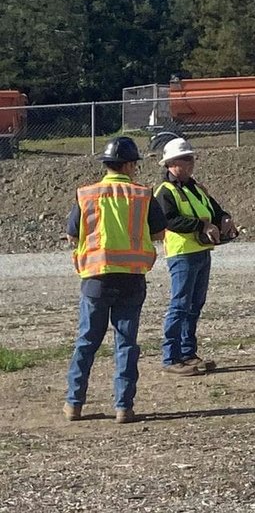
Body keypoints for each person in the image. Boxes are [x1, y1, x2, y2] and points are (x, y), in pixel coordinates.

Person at [64, 135, 166, 424]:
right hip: (131, 279)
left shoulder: (86, 194)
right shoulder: (142, 195)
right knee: (126, 342)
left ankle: (74, 404)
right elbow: (159, 233)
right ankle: (124, 407)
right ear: (130, 165)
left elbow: (72, 234)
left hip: (96, 278)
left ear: (107, 164)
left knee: (87, 341)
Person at [154, 137, 237, 376]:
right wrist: (200, 226)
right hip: (181, 253)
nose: (191, 163)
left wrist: (224, 218)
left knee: (194, 305)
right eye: (186, 159)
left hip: (201, 251)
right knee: (180, 306)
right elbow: (168, 220)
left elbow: (214, 208)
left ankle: (188, 353)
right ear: (171, 163)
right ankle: (171, 356)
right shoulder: (165, 191)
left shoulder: (195, 187)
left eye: (192, 158)